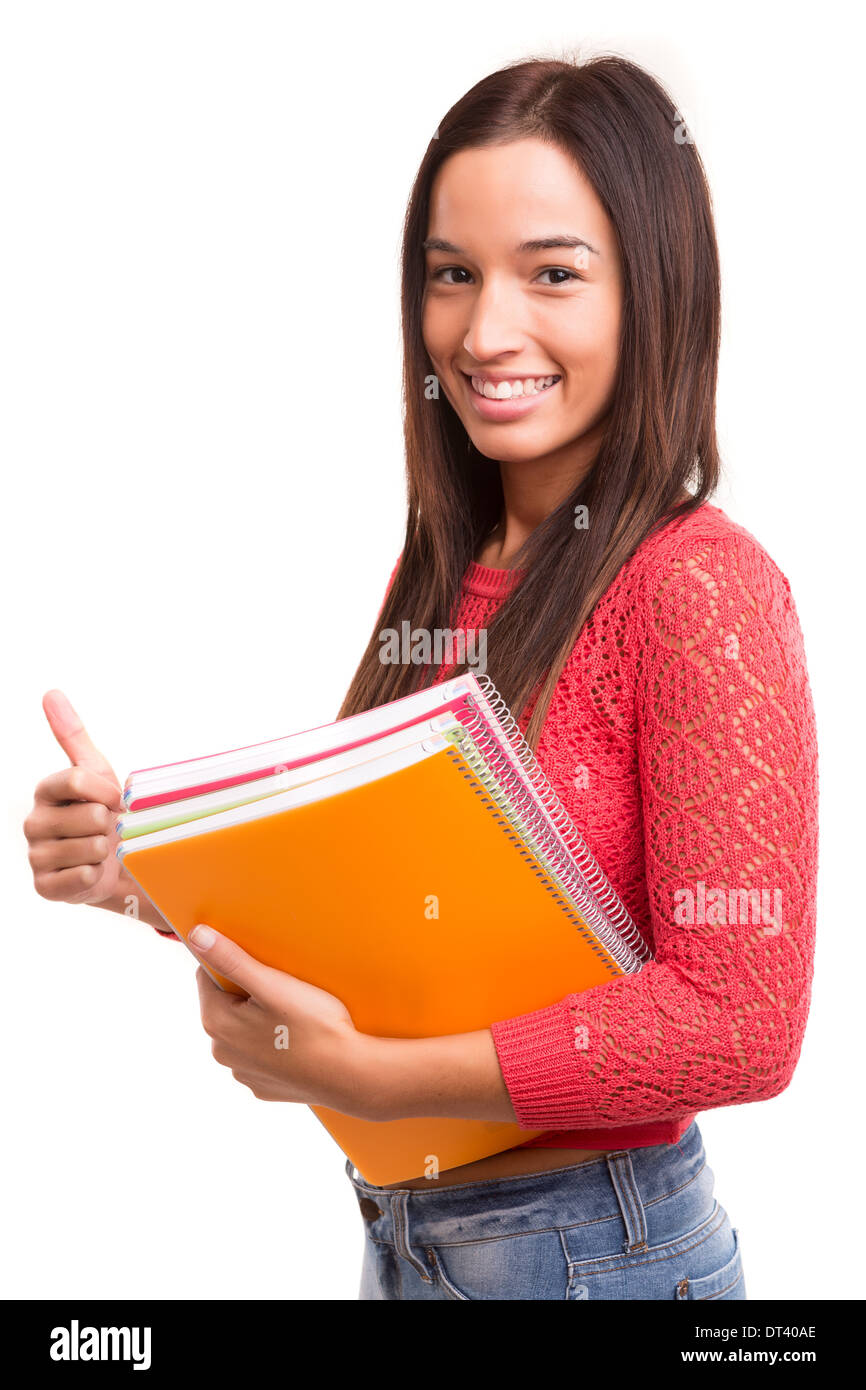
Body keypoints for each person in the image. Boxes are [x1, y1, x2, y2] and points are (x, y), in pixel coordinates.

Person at [24, 54, 818, 1300]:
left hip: (595, 1253)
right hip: (414, 1239)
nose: (482, 330)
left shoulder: (697, 590)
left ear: (656, 292)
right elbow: (390, 917)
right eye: (451, 274)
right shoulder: (448, 564)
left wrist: (378, 1082)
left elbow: (741, 1019)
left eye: (551, 273)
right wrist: (146, 875)